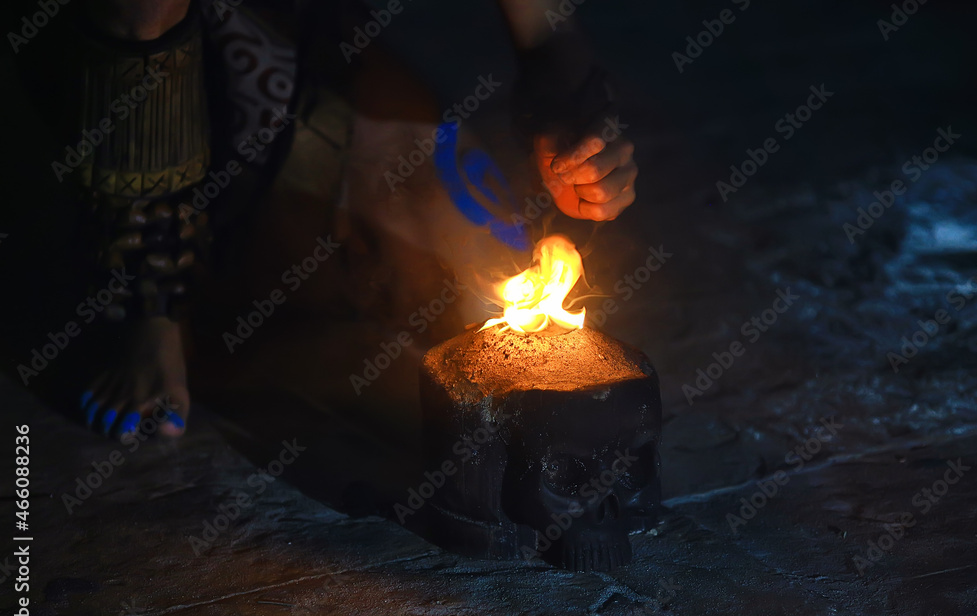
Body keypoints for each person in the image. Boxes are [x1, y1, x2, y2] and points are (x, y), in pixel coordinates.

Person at [12, 0, 637, 438]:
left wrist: (574, 121)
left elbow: (547, 30)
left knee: (456, 274)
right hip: (108, 33)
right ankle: (148, 288)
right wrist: (153, 280)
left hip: (291, 29)